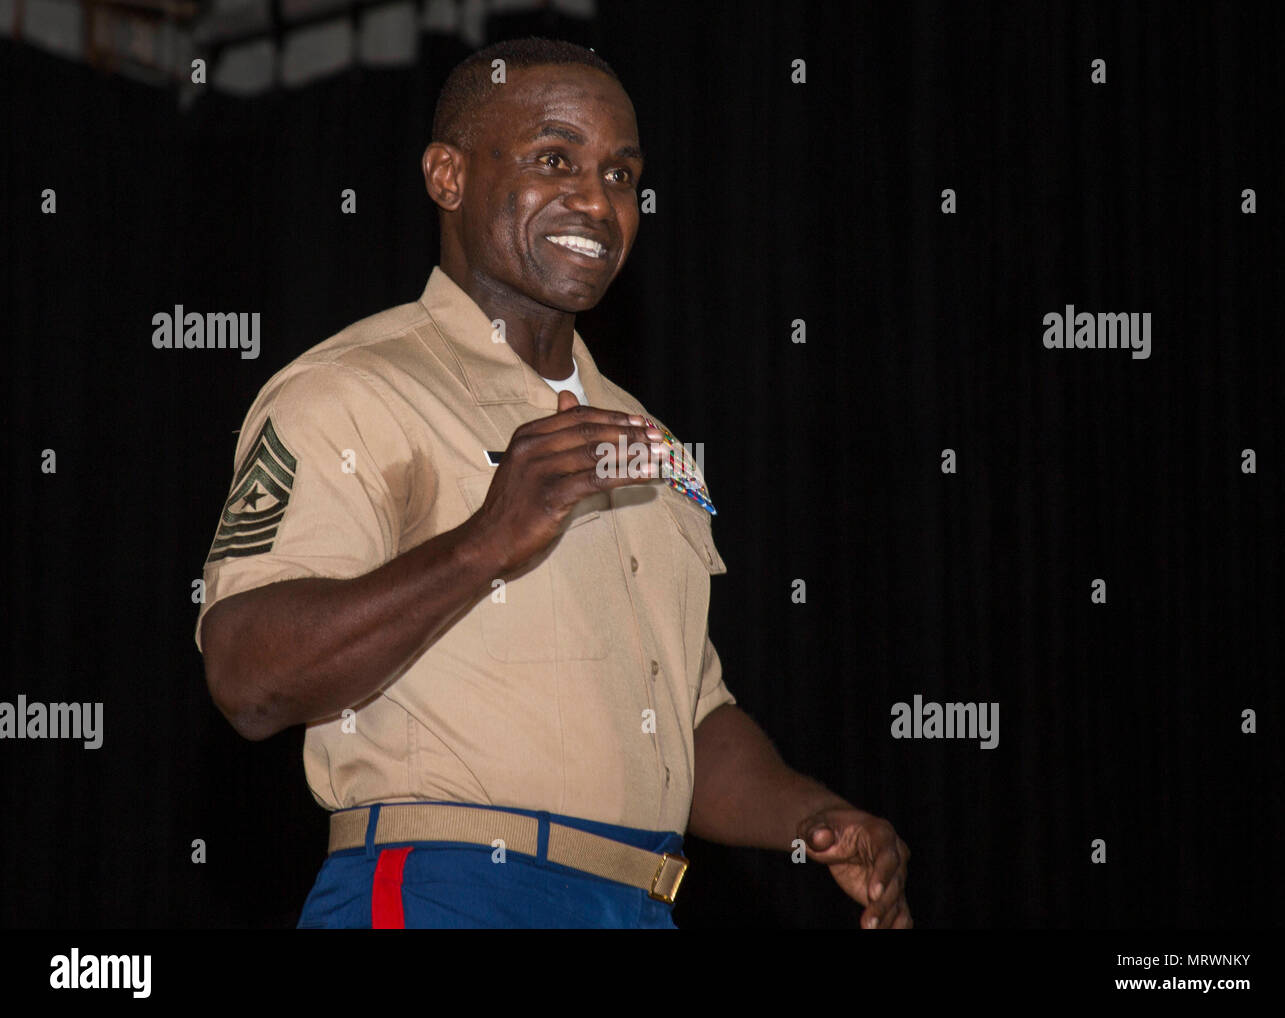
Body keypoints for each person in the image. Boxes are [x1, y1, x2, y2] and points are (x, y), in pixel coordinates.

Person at [196, 36, 911, 930]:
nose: (595, 199)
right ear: (447, 177)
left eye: (621, 174)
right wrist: (486, 541)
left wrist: (810, 818)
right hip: (447, 890)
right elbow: (247, 672)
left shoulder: (645, 438)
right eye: (554, 159)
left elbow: (689, 720)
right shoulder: (354, 389)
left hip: (641, 903)